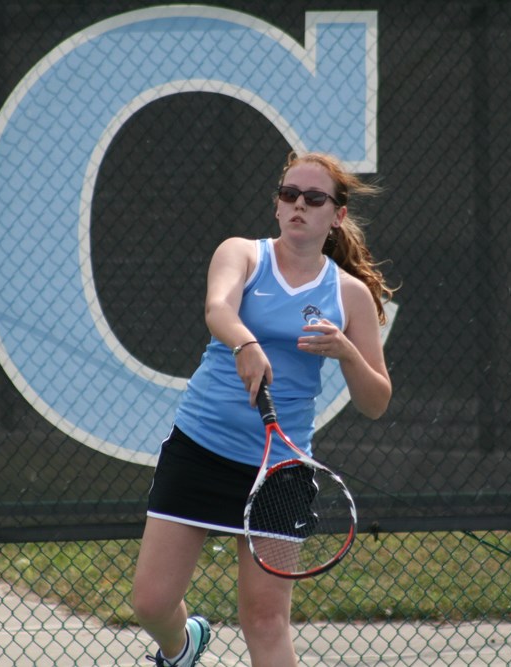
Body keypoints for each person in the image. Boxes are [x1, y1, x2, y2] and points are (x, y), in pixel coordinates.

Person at [131, 151, 394, 667]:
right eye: (288, 194)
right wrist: (245, 344)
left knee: (266, 620)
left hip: (280, 471)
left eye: (314, 198)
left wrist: (347, 352)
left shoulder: (349, 295)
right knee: (151, 603)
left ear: (336, 215)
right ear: (277, 205)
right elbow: (218, 309)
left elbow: (376, 401)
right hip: (201, 450)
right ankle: (182, 648)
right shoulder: (243, 255)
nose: (298, 205)